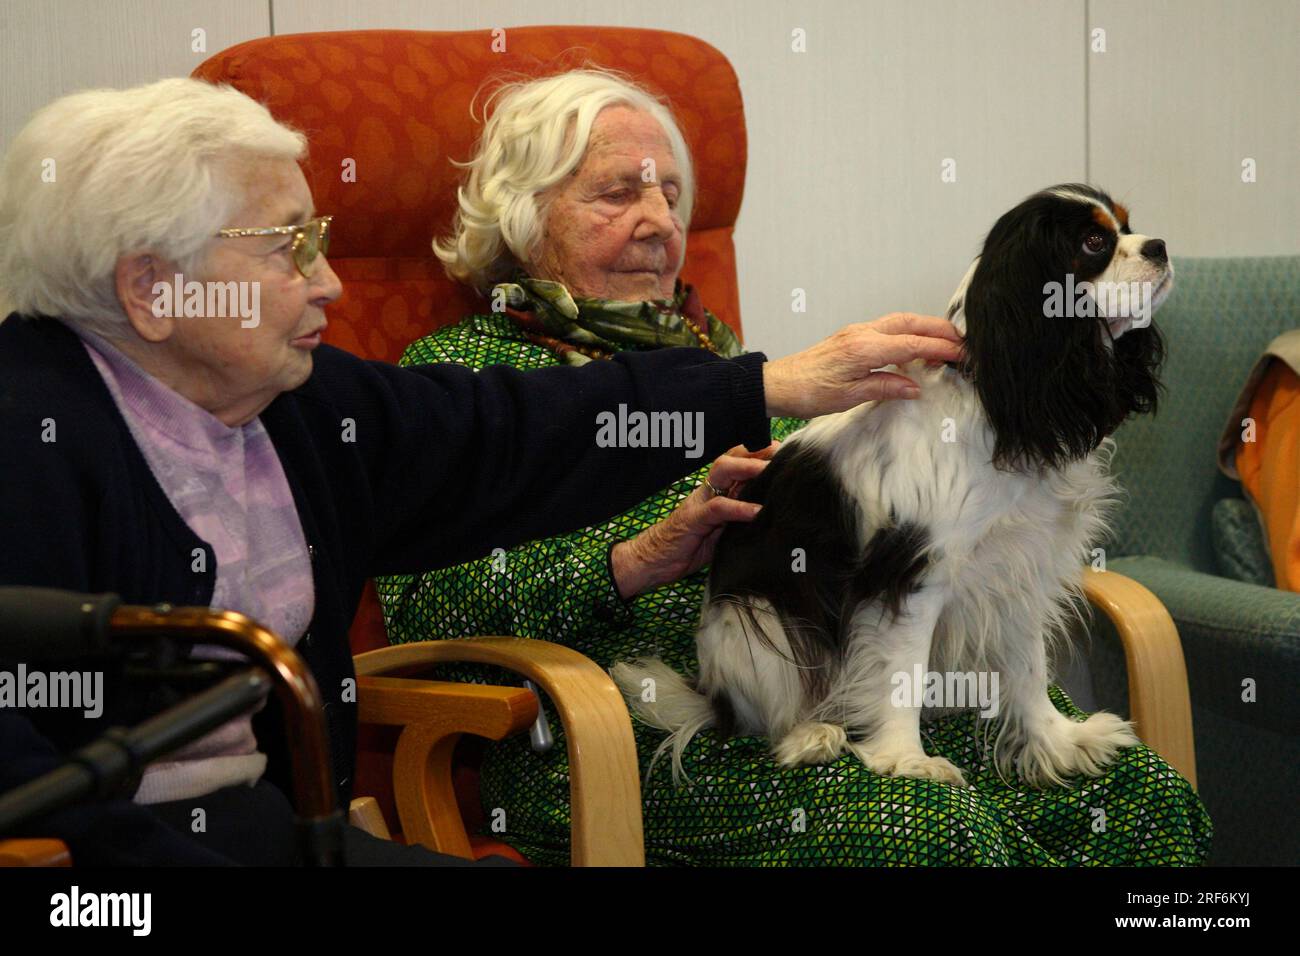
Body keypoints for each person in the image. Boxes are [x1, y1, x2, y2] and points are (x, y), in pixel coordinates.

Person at [0, 77, 961, 866]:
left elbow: (512, 435)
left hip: (272, 832)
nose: (329, 282)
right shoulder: (29, 441)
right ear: (151, 289)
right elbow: (34, 793)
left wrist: (761, 387)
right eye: (289, 247)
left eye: (323, 242)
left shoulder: (295, 403)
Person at [376, 69, 1212, 866]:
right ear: (524, 219)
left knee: (1141, 797)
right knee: (924, 829)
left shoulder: (725, 361)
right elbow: (424, 607)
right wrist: (630, 561)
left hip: (849, 681)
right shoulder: (459, 376)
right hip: (606, 731)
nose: (660, 220)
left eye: (670, 194)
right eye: (618, 192)